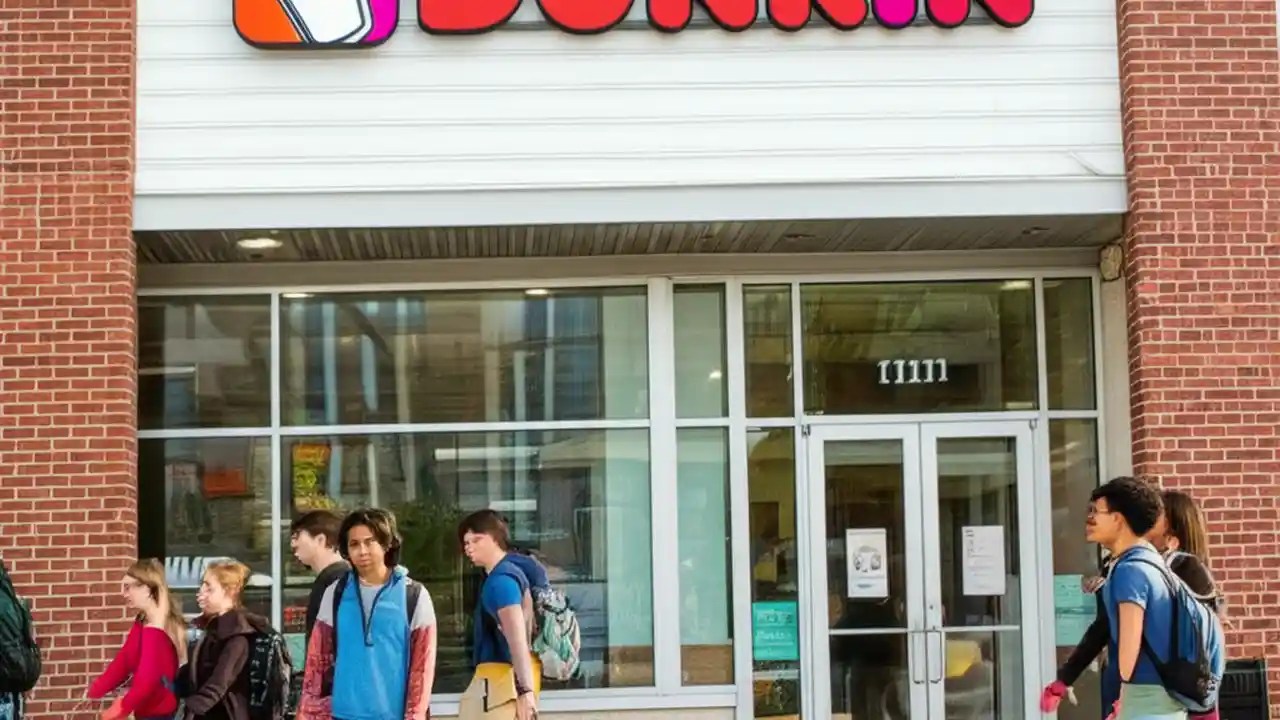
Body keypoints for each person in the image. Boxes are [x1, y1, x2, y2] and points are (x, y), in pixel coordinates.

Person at [1041, 489, 1222, 719]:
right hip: (1134, 688)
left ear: (1171, 529)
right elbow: (1103, 627)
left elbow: (1201, 638)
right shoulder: (1129, 566)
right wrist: (1065, 677)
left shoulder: (1182, 570)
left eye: (1158, 513)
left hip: (1173, 694)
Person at [297, 508, 437, 720]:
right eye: (354, 544)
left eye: (369, 542)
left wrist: (414, 715)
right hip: (342, 714)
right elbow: (317, 662)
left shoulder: (413, 595)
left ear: (386, 544)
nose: (362, 551)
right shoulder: (335, 593)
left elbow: (422, 668)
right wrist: (308, 713)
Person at [1084, 477, 1185, 720]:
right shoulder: (1151, 560)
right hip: (1164, 699)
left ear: (1118, 519)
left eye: (1095, 512)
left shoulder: (1129, 571)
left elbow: (1127, 660)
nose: (1089, 520)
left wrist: (1120, 702)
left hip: (1144, 703)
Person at [457, 510, 541, 720]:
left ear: (496, 539)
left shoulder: (500, 582)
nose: (469, 547)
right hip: (510, 680)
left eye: (477, 540)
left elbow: (517, 638)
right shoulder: (515, 573)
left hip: (499, 684)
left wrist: (525, 691)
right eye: (466, 542)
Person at [88, 559, 187, 720]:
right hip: (145, 712)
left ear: (147, 588)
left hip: (161, 715)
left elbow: (148, 679)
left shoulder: (161, 628)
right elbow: (125, 659)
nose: (124, 593)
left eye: (128, 587)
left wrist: (122, 707)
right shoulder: (142, 621)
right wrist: (96, 690)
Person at [179, 561, 261, 720]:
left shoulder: (237, 636)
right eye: (202, 586)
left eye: (209, 588)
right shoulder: (213, 629)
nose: (201, 593)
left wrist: (187, 709)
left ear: (229, 591)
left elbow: (218, 685)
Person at [290, 510, 350, 646]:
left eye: (297, 535)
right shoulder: (339, 578)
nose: (293, 543)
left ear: (320, 539)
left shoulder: (338, 581)